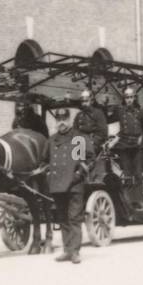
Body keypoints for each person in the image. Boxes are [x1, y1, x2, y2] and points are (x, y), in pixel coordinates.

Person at [46, 107, 88, 264]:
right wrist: (48, 175)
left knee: (74, 218)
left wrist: (77, 176)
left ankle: (75, 251)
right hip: (57, 185)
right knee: (62, 218)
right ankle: (67, 250)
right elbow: (44, 160)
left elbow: (84, 162)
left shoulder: (77, 138)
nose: (61, 122)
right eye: (58, 120)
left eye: (64, 119)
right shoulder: (52, 140)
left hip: (74, 185)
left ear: (70, 120)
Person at [105, 91, 143, 207]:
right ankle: (128, 202)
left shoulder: (141, 112)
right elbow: (108, 118)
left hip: (137, 147)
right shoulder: (120, 112)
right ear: (124, 99)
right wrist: (103, 105)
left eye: (131, 97)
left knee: (138, 173)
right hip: (124, 146)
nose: (129, 100)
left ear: (134, 98)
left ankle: (139, 200)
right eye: (127, 97)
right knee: (127, 174)